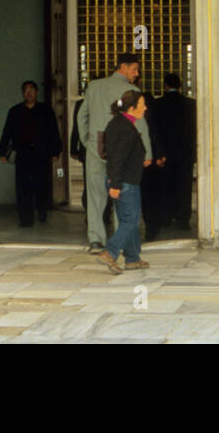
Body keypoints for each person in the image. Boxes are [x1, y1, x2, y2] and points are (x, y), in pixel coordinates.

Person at [77, 53, 147, 253]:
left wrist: (87, 141)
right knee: (122, 193)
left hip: (95, 144)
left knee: (95, 195)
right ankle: (120, 240)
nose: (136, 73)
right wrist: (146, 153)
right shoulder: (132, 91)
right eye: (134, 69)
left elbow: (82, 116)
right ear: (123, 67)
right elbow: (140, 124)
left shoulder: (94, 86)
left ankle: (96, 240)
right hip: (122, 148)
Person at [97, 89, 149, 274]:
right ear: (132, 107)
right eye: (142, 105)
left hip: (122, 180)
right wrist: (116, 184)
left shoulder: (117, 123)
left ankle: (132, 258)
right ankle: (110, 251)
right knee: (130, 220)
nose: (145, 108)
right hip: (124, 182)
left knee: (131, 219)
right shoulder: (126, 129)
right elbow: (117, 158)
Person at [0, 81, 62, 227]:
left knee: (41, 184)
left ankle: (42, 210)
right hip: (23, 153)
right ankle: (25, 218)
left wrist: (55, 151)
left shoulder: (46, 110)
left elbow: (53, 132)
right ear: (22, 93)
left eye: (32, 90)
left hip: (42, 152)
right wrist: (2, 151)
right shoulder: (15, 111)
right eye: (26, 90)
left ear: (37, 92)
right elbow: (7, 132)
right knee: (23, 186)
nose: (29, 93)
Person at [151, 72, 196, 231]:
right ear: (180, 85)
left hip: (165, 153)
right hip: (185, 153)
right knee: (184, 186)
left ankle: (166, 216)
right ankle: (183, 218)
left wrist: (157, 152)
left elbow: (154, 131)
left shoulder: (157, 104)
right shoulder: (191, 104)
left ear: (165, 86)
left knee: (166, 185)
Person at [70, 96, 112, 228]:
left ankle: (101, 214)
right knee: (93, 182)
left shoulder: (105, 101)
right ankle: (94, 214)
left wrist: (74, 147)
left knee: (99, 181)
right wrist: (73, 147)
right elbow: (77, 126)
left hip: (99, 148)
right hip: (90, 148)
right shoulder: (82, 104)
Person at [140, 89, 168, 240]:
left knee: (148, 197)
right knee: (151, 196)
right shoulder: (149, 117)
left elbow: (155, 136)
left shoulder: (145, 118)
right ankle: (152, 227)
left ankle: (152, 226)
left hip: (147, 162)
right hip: (149, 162)